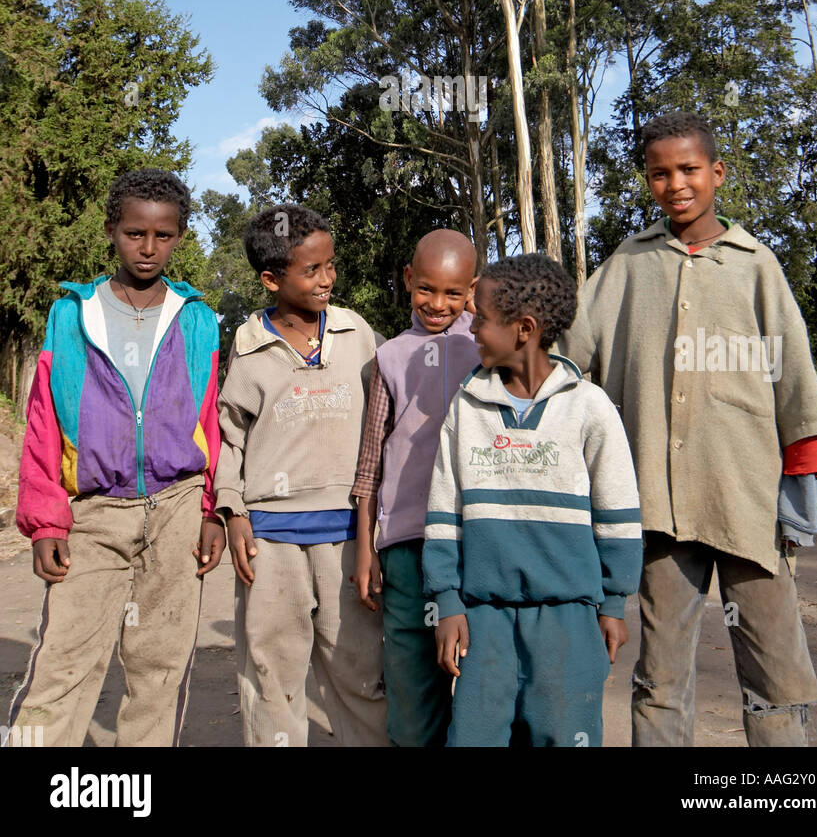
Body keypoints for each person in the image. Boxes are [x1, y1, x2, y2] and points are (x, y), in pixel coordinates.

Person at [560, 110, 817, 748]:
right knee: (660, 674)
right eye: (659, 173)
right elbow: (574, 356)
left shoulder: (754, 265)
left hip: (746, 498)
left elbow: (792, 373)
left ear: (717, 173)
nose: (675, 184)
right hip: (656, 505)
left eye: (689, 169)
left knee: (778, 669)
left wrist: (799, 485)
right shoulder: (628, 265)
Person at [8, 169, 223, 748]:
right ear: (111, 230)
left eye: (163, 235)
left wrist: (210, 510)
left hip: (177, 506)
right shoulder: (72, 314)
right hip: (94, 510)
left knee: (159, 666)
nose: (148, 248)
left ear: (179, 236)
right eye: (134, 233)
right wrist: (45, 518)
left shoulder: (197, 317)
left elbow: (209, 422)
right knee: (64, 662)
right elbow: (43, 423)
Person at [423, 253, 642, 748]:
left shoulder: (590, 407)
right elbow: (443, 513)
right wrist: (447, 600)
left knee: (566, 735)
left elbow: (619, 516)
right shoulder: (466, 407)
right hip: (484, 620)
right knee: (474, 737)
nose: (471, 325)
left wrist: (613, 603)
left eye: (480, 315)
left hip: (570, 621)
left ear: (524, 328)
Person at [214, 203, 388, 748]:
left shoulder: (357, 332)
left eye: (330, 265)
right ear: (271, 279)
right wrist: (232, 510)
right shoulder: (248, 349)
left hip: (349, 536)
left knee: (360, 672)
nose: (327, 279)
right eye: (311, 270)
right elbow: (229, 437)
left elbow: (388, 413)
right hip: (271, 539)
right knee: (272, 676)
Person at [352, 228, 479, 747]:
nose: (438, 303)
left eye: (453, 293)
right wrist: (366, 546)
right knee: (410, 685)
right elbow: (369, 462)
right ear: (408, 280)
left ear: (472, 290)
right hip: (406, 542)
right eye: (426, 288)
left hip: (476, 540)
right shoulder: (389, 358)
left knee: (477, 689)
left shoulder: (485, 348)